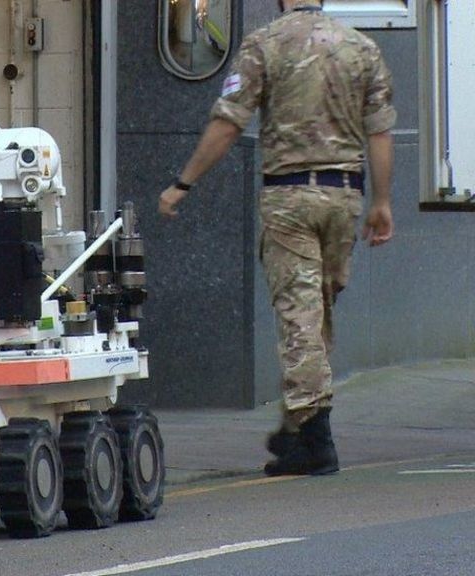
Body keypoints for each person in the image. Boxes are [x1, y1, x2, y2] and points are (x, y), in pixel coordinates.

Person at [157, 0, 396, 476]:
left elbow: (229, 122)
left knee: (299, 315)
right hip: (344, 196)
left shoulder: (264, 44)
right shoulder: (362, 47)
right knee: (317, 311)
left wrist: (183, 182)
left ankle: (315, 439)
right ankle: (293, 427)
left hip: (289, 198)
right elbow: (380, 132)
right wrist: (382, 201)